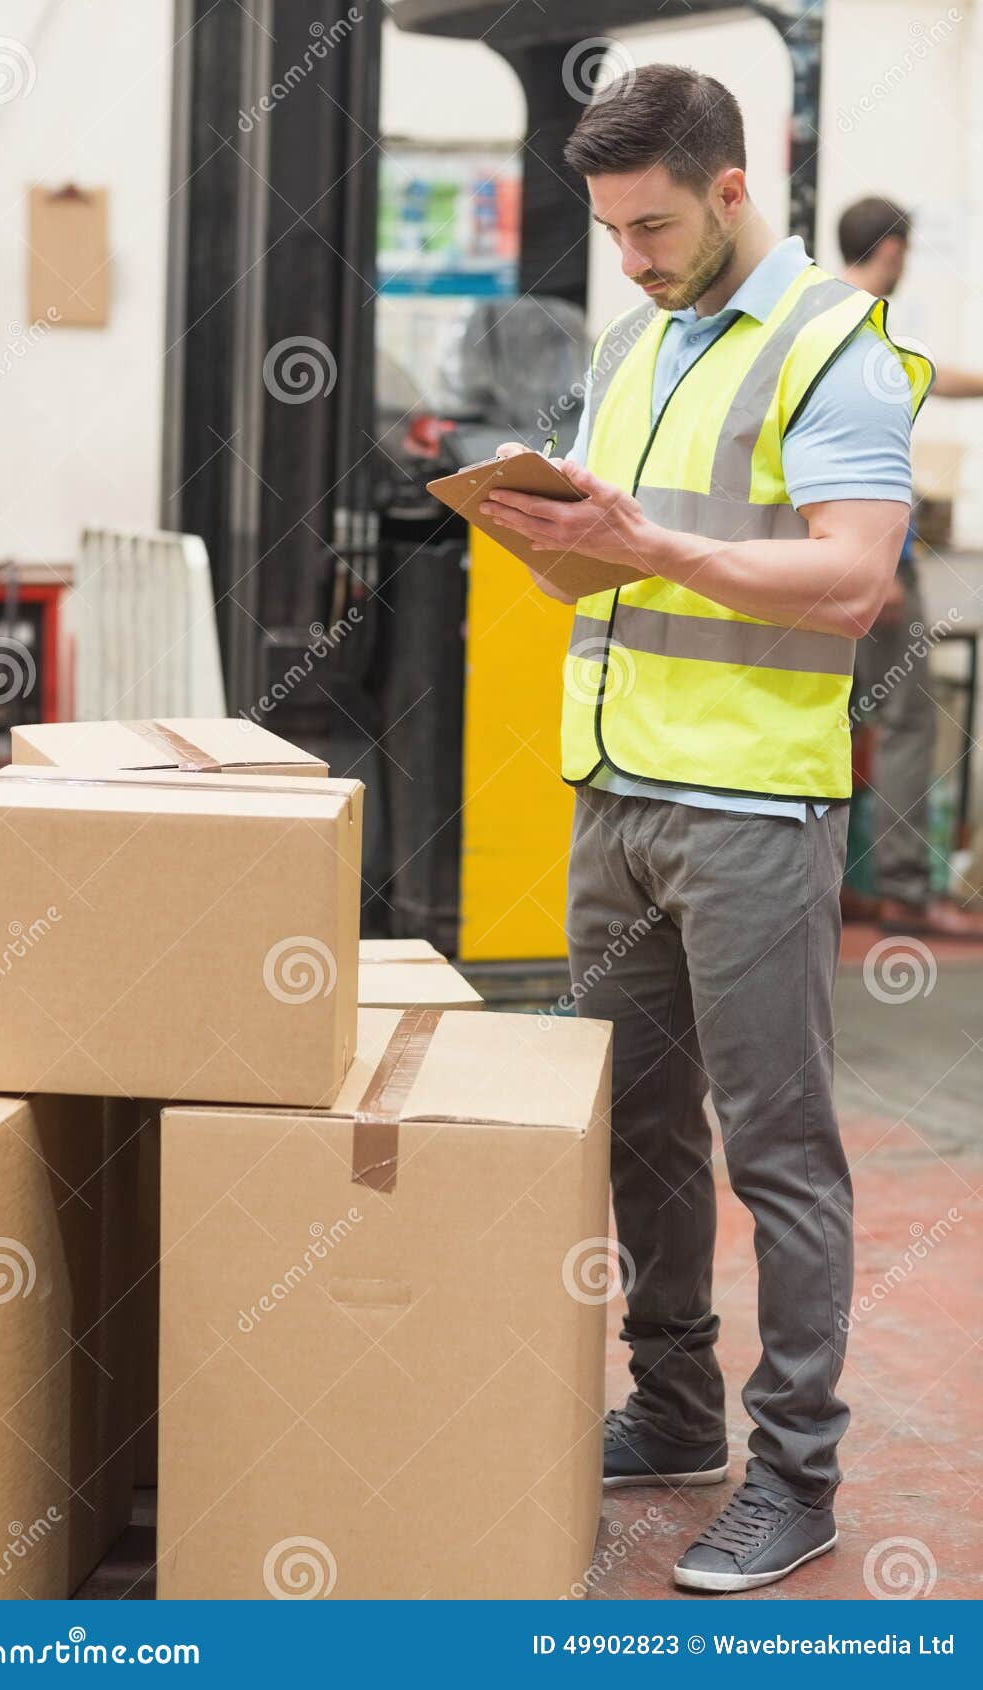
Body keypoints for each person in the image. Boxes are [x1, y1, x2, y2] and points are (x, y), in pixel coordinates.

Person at [484, 63, 931, 1593]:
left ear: (731, 188)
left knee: (778, 1150)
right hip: (611, 795)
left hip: (746, 808)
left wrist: (642, 544)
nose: (630, 256)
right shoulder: (637, 334)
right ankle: (672, 1408)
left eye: (652, 224)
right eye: (610, 230)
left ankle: (793, 1473)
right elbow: (605, 564)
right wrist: (543, 537)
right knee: (635, 1132)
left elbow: (850, 581)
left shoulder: (837, 349)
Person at [839, 196, 983, 937]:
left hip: (818, 562)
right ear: (891, 249)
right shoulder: (864, 330)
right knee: (903, 721)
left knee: (831, 717)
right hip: (871, 563)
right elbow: (872, 457)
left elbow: (931, 376)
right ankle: (899, 888)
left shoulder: (820, 319)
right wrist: (886, 563)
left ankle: (826, 883)